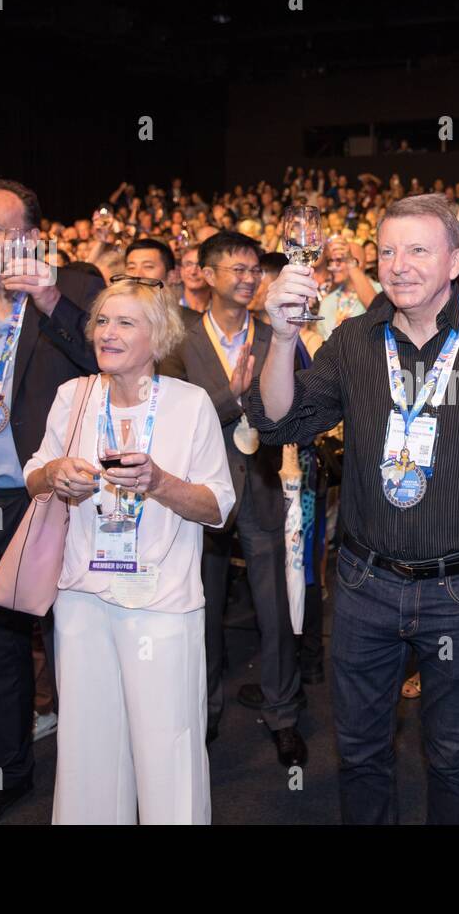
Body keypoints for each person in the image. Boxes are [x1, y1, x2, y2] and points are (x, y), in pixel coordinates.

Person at [248, 186, 459, 824]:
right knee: (359, 753)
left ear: (455, 259)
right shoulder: (356, 342)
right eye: (387, 250)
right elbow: (279, 423)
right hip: (364, 584)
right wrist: (281, 339)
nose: (399, 264)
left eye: (418, 249)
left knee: (453, 753)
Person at [24, 281, 235, 824]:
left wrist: (159, 482)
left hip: (161, 604)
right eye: (102, 321)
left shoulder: (189, 406)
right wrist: (55, 475)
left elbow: (217, 506)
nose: (107, 333)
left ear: (159, 336)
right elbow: (34, 473)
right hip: (82, 599)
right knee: (86, 750)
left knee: (169, 751)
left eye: (125, 323)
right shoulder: (74, 397)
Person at [0, 179, 104, 824]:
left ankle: (90, 784)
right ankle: (6, 777)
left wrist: (52, 298)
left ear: (32, 235)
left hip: (54, 501)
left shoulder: (79, 284)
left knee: (76, 647)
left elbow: (107, 360)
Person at [161, 231, 307, 762]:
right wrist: (237, 394)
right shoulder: (178, 343)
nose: (249, 279)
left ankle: (283, 713)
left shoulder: (279, 335)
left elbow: (302, 405)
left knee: (275, 608)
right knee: (200, 608)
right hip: (198, 492)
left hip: (264, 484)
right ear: (205, 274)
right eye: (236, 270)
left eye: (253, 271)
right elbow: (175, 421)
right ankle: (203, 712)